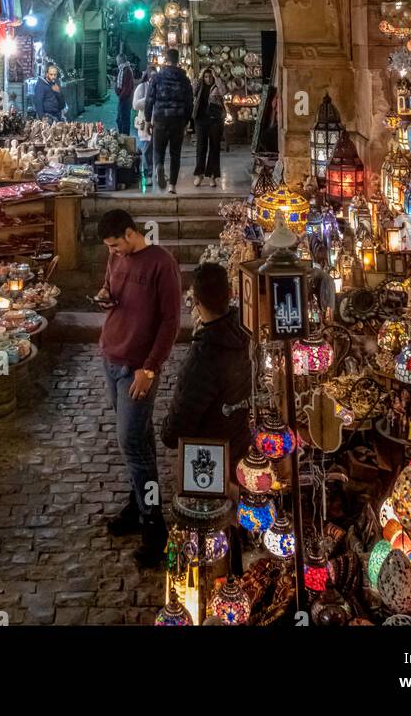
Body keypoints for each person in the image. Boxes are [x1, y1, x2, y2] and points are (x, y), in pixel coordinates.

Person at [96, 208, 182, 567]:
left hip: (137, 369)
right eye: (109, 247)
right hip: (110, 357)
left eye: (117, 245)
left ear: (131, 234)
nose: (113, 252)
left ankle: (153, 525)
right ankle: (137, 505)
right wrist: (104, 295)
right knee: (139, 440)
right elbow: (110, 287)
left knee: (133, 444)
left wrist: (150, 368)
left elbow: (171, 321)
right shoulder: (115, 258)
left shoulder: (162, 264)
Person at [161, 262, 252, 478]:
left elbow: (176, 431)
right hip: (242, 442)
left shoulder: (203, 358)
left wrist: (166, 429)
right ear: (230, 294)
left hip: (210, 459)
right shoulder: (246, 332)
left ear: (197, 303)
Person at [144, 48, 193, 193]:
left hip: (160, 119)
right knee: (175, 153)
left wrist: (147, 120)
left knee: (158, 150)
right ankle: (172, 186)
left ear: (166, 59)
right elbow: (189, 102)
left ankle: (159, 165)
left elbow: (149, 100)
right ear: (178, 60)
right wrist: (187, 121)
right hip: (178, 120)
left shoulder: (157, 78)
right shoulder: (184, 79)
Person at [192, 67, 227, 187]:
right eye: (206, 76)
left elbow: (224, 92)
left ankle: (212, 176)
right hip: (201, 120)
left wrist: (217, 78)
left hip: (215, 120)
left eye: (210, 76)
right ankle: (199, 174)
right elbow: (192, 92)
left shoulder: (218, 85)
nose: (208, 79)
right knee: (201, 147)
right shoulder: (200, 85)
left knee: (214, 147)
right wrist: (197, 79)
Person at [132, 68, 154, 183]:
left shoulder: (160, 87)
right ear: (148, 77)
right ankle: (147, 174)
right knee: (146, 149)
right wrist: (148, 98)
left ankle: (156, 172)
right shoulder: (142, 87)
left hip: (157, 123)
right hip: (144, 123)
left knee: (157, 150)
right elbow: (135, 105)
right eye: (152, 76)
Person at [114, 52, 135, 136]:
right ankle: (122, 136)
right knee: (120, 119)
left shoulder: (126, 70)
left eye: (117, 60)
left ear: (120, 60)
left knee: (123, 120)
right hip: (124, 99)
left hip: (125, 100)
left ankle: (125, 138)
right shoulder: (123, 69)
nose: (116, 62)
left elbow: (127, 88)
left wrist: (121, 97)